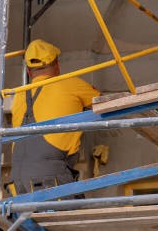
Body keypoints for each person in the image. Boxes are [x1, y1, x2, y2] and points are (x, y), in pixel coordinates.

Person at [10, 39, 99, 195]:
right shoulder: (71, 84)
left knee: (25, 219)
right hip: (50, 176)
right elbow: (106, 103)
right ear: (57, 65)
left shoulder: (19, 95)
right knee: (69, 215)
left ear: (29, 72)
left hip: (16, 181)